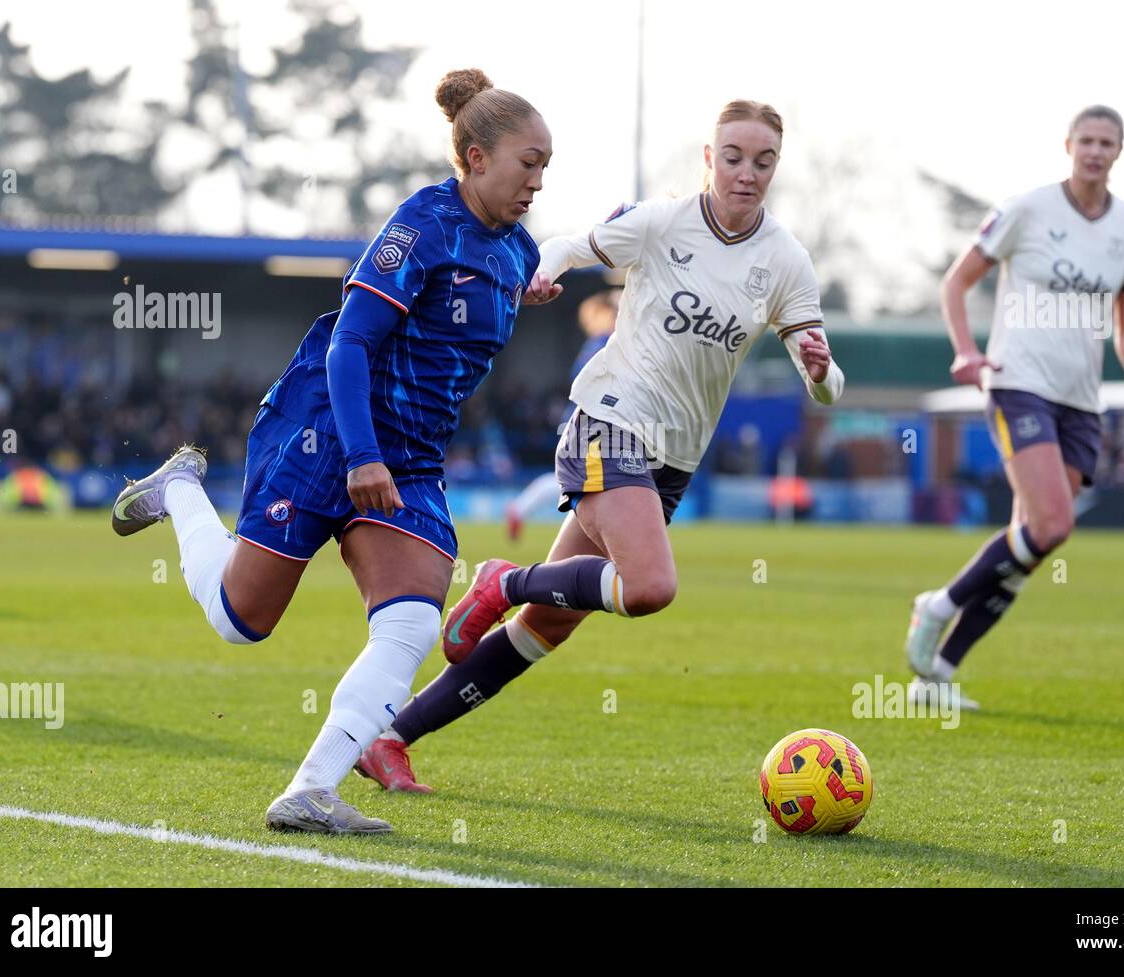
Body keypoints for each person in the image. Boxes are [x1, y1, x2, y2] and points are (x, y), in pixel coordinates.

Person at [356, 99, 845, 791]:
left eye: (763, 161)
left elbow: (823, 385)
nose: (747, 173)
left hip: (672, 458)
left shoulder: (787, 260)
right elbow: (569, 244)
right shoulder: (663, 221)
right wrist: (543, 271)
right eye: (733, 157)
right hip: (610, 419)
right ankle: (504, 579)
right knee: (649, 587)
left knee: (546, 627)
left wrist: (822, 372)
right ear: (709, 160)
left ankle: (390, 738)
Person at [109, 68, 550, 831]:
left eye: (547, 166)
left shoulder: (518, 252)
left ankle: (311, 788)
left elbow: (494, 292)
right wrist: (358, 455)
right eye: (528, 163)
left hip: (409, 453)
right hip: (327, 430)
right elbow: (349, 345)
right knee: (240, 620)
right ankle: (180, 487)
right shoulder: (420, 227)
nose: (538, 181)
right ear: (476, 158)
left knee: (413, 618)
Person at [904, 104, 1124, 709]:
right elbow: (955, 283)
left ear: (1119, 151)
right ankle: (936, 605)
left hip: (1081, 400)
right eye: (1087, 140)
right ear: (1068, 144)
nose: (1096, 151)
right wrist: (966, 352)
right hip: (1017, 381)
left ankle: (935, 676)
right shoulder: (1028, 209)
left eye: (1107, 143)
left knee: (1034, 542)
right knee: (1052, 525)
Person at [504, 289, 619, 541]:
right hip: (591, 422)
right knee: (585, 482)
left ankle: (521, 509)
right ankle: (521, 510)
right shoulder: (604, 343)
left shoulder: (599, 343)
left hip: (590, 420)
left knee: (580, 481)